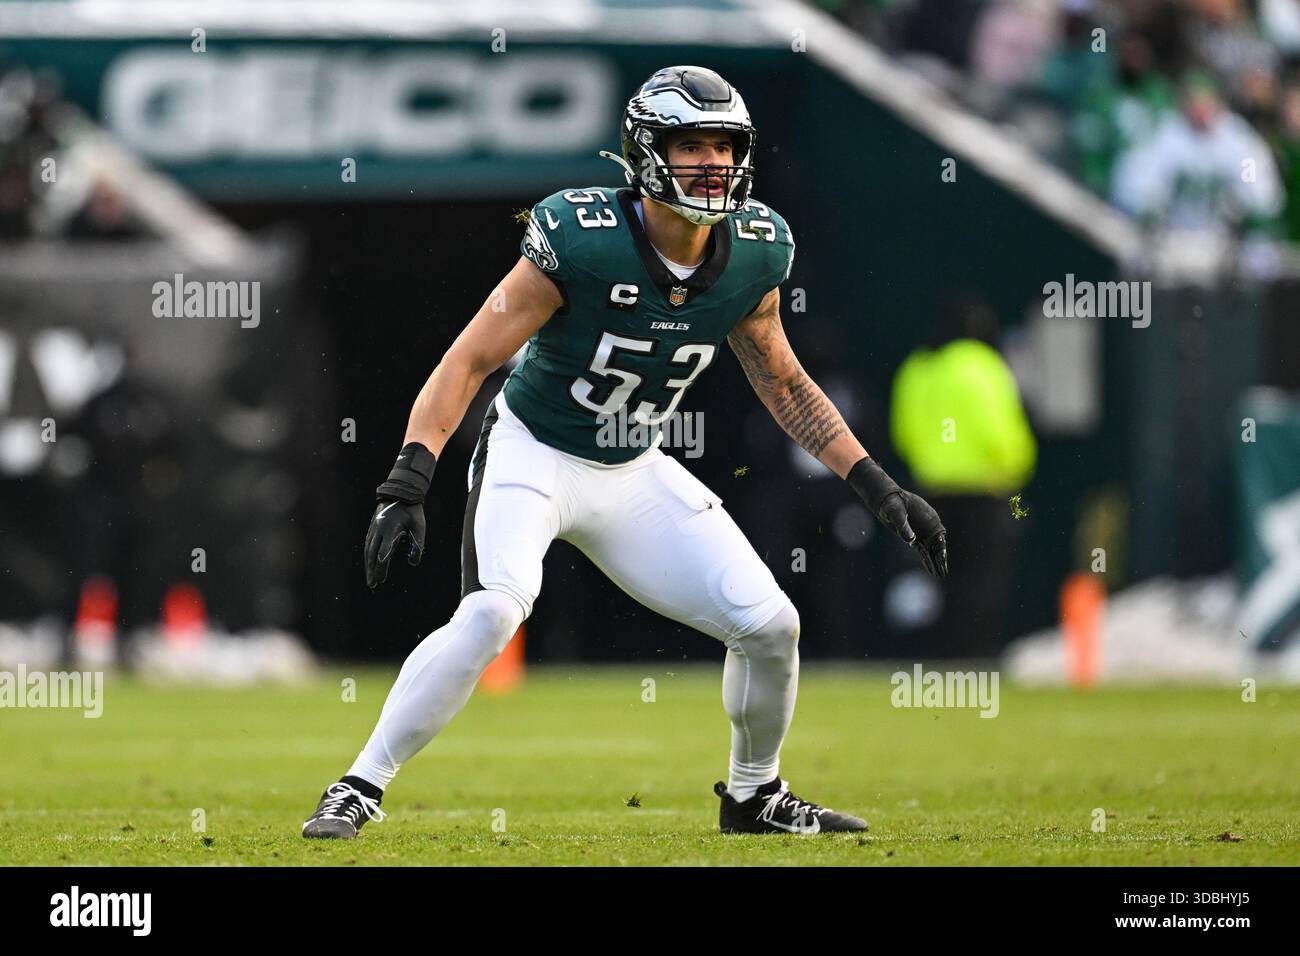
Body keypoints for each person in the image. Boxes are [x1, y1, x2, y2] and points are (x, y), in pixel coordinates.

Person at [300, 66, 948, 839]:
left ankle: (753, 796)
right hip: (534, 452)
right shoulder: (582, 239)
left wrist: (875, 485)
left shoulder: (755, 252)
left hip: (632, 467)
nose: (712, 162)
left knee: (772, 623)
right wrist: (408, 479)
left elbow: (784, 383)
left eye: (725, 145)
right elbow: (467, 361)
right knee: (493, 611)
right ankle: (360, 784)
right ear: (645, 151)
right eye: (691, 144)